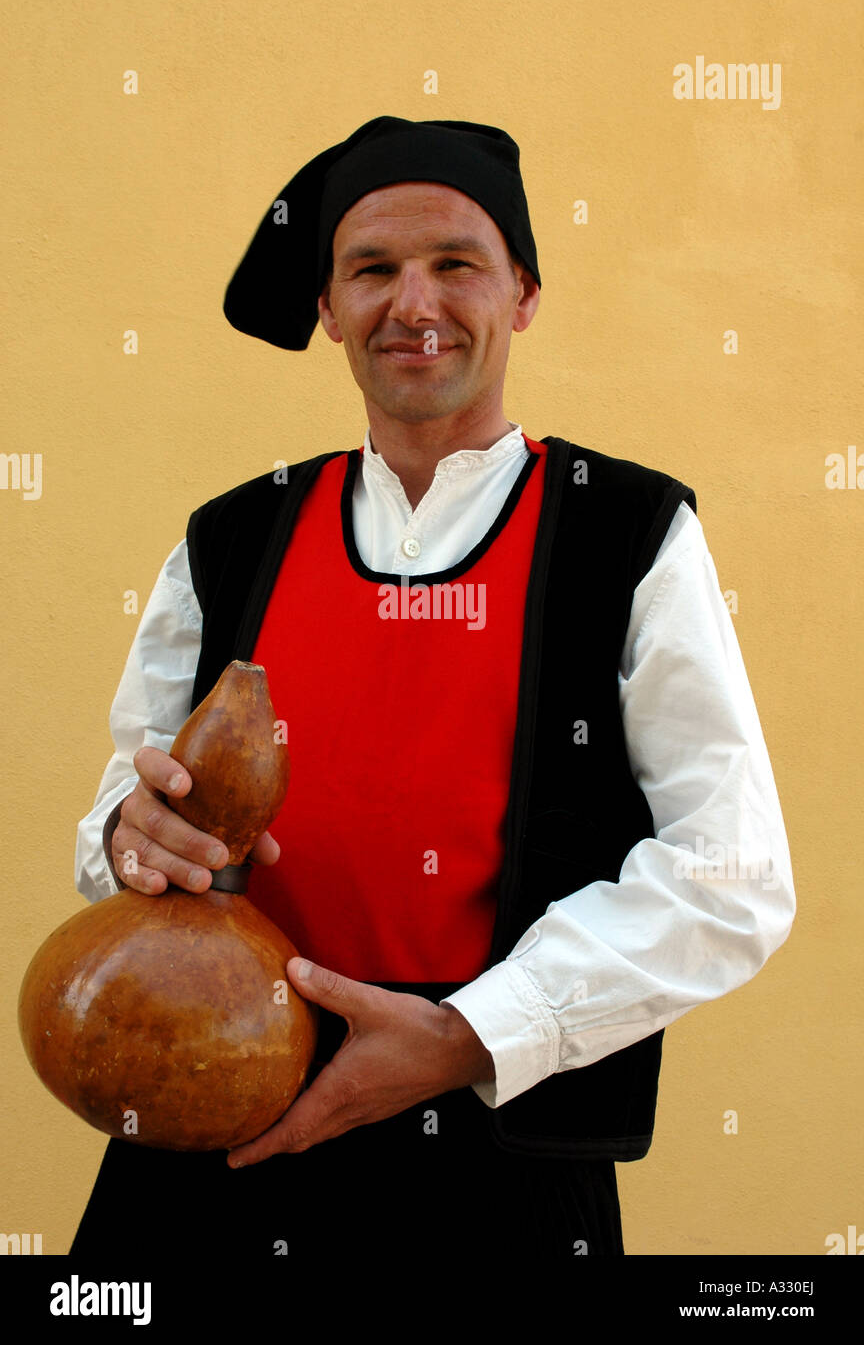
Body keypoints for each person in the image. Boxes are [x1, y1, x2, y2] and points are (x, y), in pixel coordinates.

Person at [70, 116, 795, 1265]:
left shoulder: (628, 531)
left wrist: (470, 1033)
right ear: (327, 310)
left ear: (523, 295)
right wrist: (129, 832)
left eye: (456, 263)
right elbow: (119, 808)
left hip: (501, 1156)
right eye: (371, 269)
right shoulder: (232, 535)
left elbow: (735, 875)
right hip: (208, 1117)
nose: (414, 303)